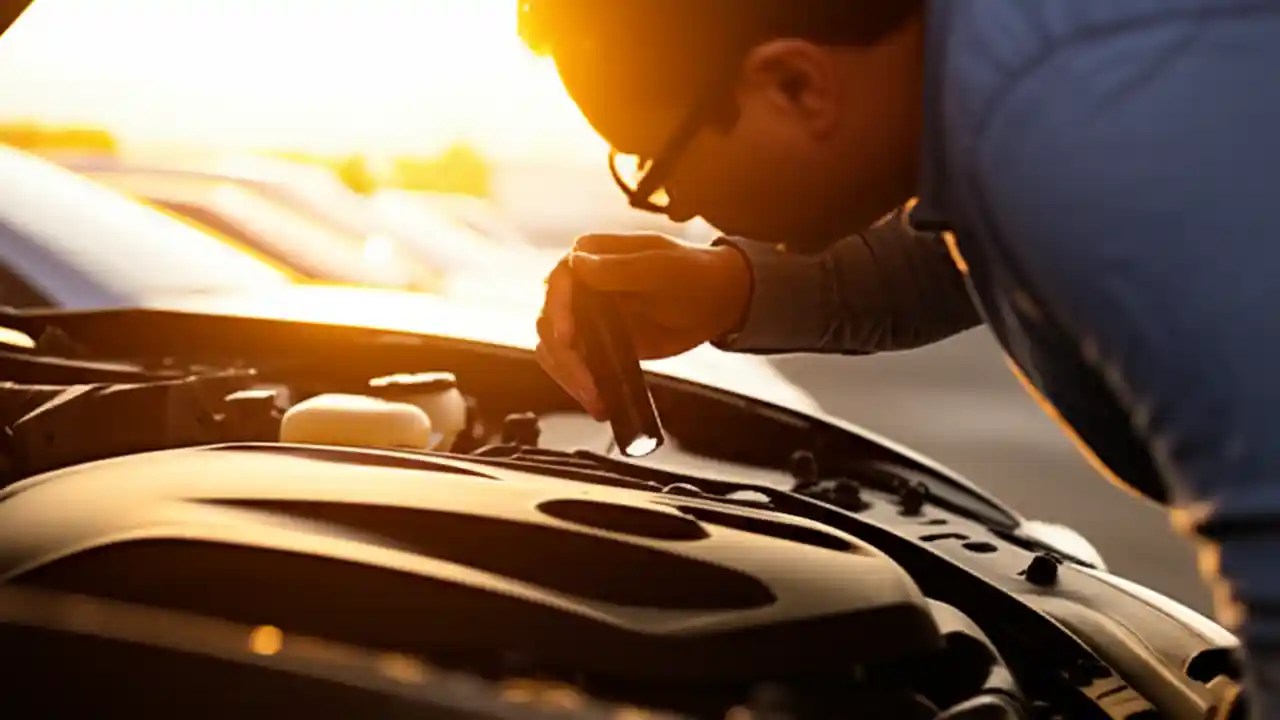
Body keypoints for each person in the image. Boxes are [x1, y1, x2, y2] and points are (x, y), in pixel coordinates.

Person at [519, 0, 1277, 716]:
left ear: (797, 82)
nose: (675, 207)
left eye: (656, 165)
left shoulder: (1081, 123)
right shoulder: (996, 79)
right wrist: (733, 289)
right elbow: (959, 248)